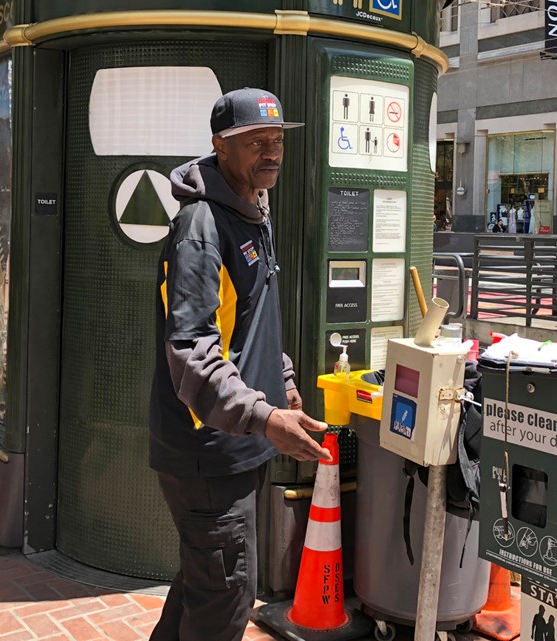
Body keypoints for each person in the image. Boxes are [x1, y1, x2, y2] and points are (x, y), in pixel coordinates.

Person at [149, 88, 332, 641]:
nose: (271, 153)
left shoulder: (251, 210)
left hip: (241, 438)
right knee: (226, 601)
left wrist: (283, 384)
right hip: (210, 451)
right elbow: (193, 351)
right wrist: (265, 415)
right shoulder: (202, 227)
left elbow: (249, 321)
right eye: (256, 142)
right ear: (220, 147)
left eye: (277, 141)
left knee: (204, 586)